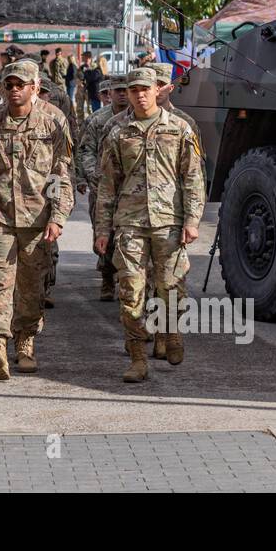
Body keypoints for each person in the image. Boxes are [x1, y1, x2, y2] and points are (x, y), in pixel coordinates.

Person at [92, 68, 204, 383]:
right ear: (126, 93)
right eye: (133, 90)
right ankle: (138, 358)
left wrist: (192, 220)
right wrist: (103, 230)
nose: (139, 94)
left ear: (157, 90)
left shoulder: (180, 128)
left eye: (145, 88)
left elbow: (193, 177)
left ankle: (171, 331)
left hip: (169, 221)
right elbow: (107, 185)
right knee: (130, 292)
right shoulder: (117, 132)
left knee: (171, 288)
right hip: (130, 224)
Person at [0, 59, 74, 378]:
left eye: (21, 85)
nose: (14, 90)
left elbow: (61, 172)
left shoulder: (53, 121)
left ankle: (25, 342)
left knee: (32, 287)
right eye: (9, 85)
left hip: (37, 219)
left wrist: (57, 216)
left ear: (35, 88)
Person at [76, 75, 129, 300]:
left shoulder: (136, 119)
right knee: (104, 234)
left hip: (130, 190)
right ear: (110, 93)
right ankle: (107, 278)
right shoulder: (98, 120)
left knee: (128, 237)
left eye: (126, 90)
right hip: (103, 188)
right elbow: (85, 149)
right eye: (117, 90)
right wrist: (89, 175)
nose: (122, 94)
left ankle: (128, 283)